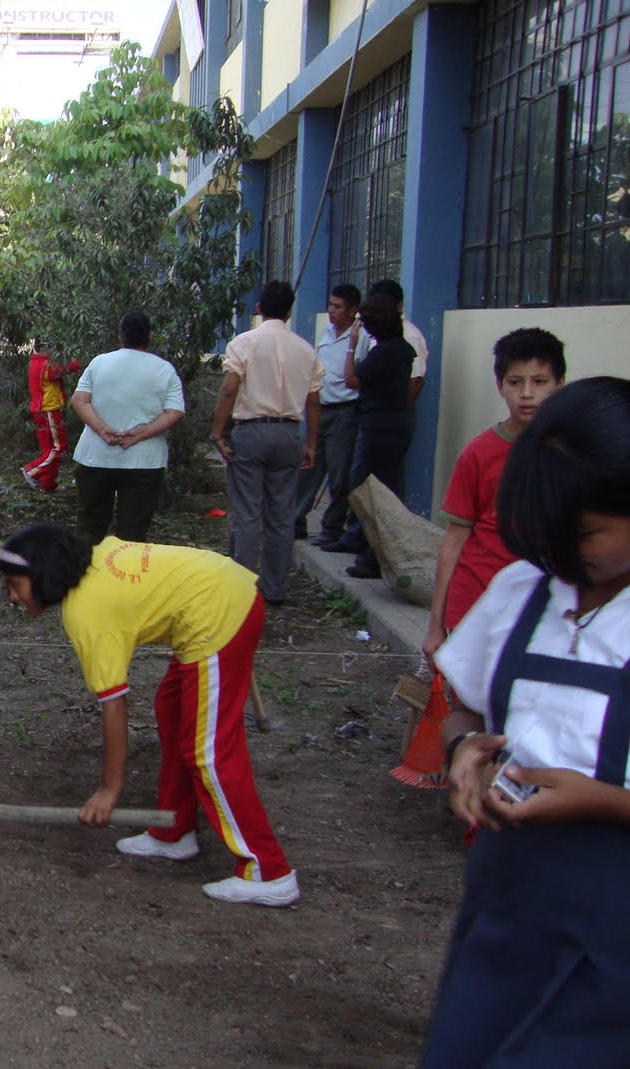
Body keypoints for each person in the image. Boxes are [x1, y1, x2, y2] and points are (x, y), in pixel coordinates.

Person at [422, 376, 630, 1067]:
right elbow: (466, 705)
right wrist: (463, 750)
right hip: (507, 909)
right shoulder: (525, 591)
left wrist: (601, 801)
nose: (564, 556)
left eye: (586, 535)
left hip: (613, 930)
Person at [0, 524, 298, 907]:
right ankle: (174, 831)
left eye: (14, 585)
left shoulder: (87, 612)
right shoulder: (92, 565)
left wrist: (109, 790)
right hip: (214, 600)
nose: (11, 597)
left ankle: (270, 872)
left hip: (219, 613)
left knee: (209, 751)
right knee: (170, 709)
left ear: (42, 575)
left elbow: (115, 705)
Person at [421, 329, 565, 664]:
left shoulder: (573, 455)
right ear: (500, 385)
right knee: (468, 710)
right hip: (475, 605)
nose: (526, 394)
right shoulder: (479, 453)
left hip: (544, 610)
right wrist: (435, 624)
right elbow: (454, 541)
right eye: (515, 382)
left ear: (560, 383)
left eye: (539, 381)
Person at [209, 280, 322, 606]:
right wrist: (311, 444)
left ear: (259, 308)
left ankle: (242, 590)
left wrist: (218, 432)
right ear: (289, 311)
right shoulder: (305, 349)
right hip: (289, 434)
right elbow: (314, 402)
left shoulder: (243, 343)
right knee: (281, 514)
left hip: (251, 432)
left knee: (246, 513)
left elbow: (229, 389)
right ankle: (274, 590)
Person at [68, 311, 185, 543]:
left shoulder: (100, 362)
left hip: (96, 457)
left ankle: (84, 575)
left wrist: (102, 429)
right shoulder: (164, 369)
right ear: (150, 336)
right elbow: (174, 412)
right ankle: (126, 576)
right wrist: (141, 434)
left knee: (89, 528)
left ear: (120, 336)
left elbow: (79, 400)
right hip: (143, 461)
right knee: (132, 533)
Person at [322, 293, 416, 579]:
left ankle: (373, 555)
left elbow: (352, 379)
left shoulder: (384, 352)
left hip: (378, 428)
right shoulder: (401, 350)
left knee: (366, 488)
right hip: (394, 425)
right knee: (384, 489)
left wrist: (351, 347)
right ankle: (373, 551)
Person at [292, 285, 361, 545]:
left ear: (353, 311)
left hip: (345, 410)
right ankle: (296, 520)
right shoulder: (327, 333)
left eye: (338, 307)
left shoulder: (360, 336)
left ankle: (332, 528)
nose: (332, 311)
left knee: (339, 471)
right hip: (320, 408)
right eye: (330, 305)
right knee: (308, 467)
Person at [21, 338, 81, 493]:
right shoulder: (44, 364)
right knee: (58, 447)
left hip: (42, 409)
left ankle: (48, 484)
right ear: (43, 348)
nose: (52, 350)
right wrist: (77, 363)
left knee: (49, 449)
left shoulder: (36, 362)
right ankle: (32, 471)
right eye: (50, 347)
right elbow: (59, 372)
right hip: (48, 410)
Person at [361, 279, 428, 408]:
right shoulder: (378, 331)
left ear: (399, 305)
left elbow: (416, 380)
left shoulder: (409, 335)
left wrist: (396, 413)